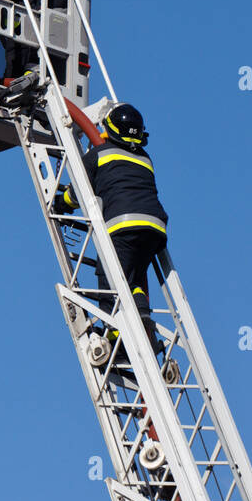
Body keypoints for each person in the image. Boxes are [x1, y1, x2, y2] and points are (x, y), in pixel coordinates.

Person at [54, 103, 168, 360]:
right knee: (134, 279)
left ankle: (114, 332)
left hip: (123, 227)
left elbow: (78, 192)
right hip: (154, 230)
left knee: (109, 275)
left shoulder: (100, 154)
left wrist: (61, 203)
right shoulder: (145, 159)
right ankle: (144, 321)